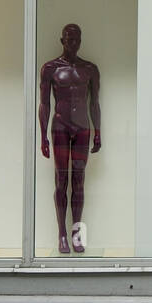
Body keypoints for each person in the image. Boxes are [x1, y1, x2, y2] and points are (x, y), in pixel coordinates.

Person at [40, 24, 101, 254]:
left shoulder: (90, 69)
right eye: (69, 39)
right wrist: (43, 136)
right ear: (62, 40)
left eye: (76, 39)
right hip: (60, 128)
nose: (72, 43)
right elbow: (44, 103)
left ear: (80, 41)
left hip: (83, 128)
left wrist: (99, 132)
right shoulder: (50, 69)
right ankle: (61, 235)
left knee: (79, 181)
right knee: (61, 180)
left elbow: (94, 103)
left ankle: (76, 233)